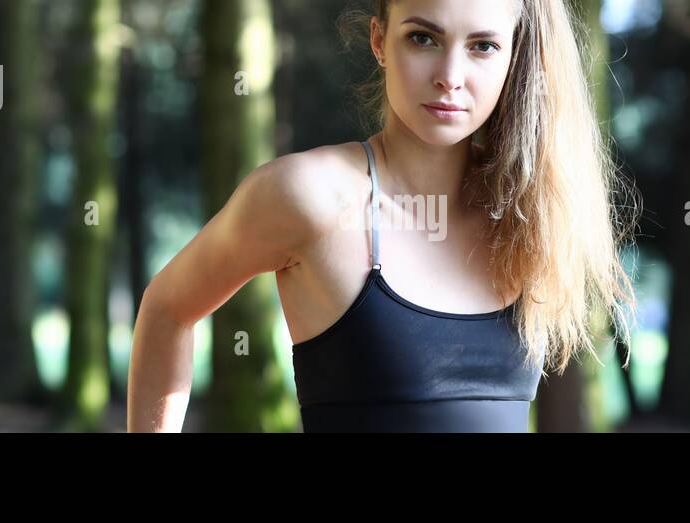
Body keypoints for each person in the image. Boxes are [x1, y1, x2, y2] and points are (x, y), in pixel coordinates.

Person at [128, 0, 636, 432]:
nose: (450, 78)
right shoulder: (310, 196)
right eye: (422, 38)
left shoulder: (529, 215)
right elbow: (167, 310)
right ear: (379, 40)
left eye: (483, 46)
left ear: (514, 58)